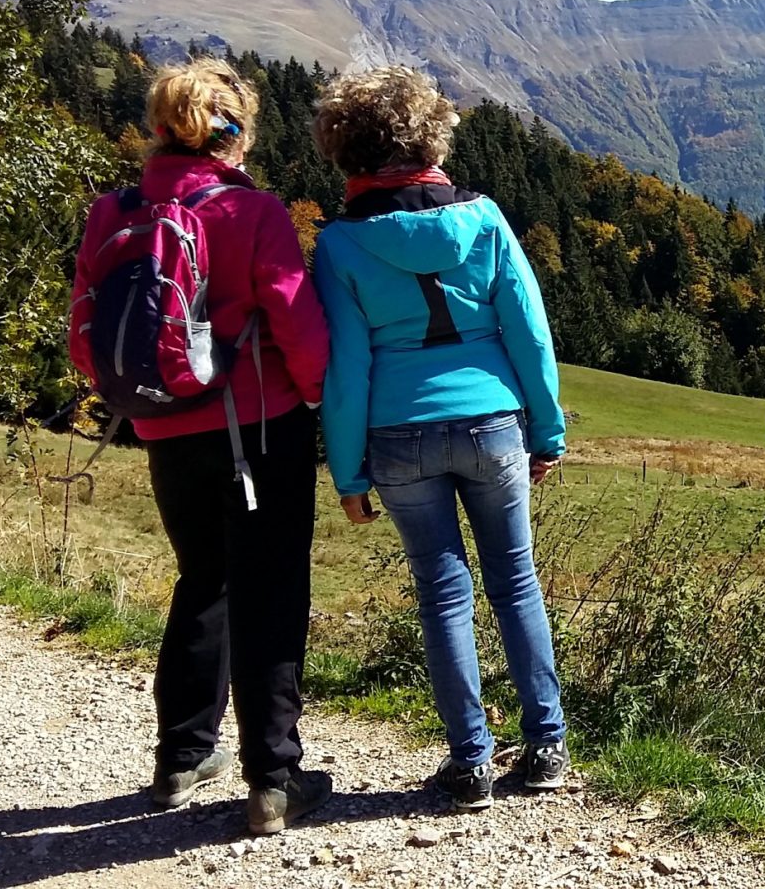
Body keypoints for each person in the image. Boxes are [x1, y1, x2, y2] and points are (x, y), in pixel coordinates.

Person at [67, 58, 333, 834]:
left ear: (159, 129)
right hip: (260, 428)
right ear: (235, 134)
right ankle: (274, 779)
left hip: (162, 427)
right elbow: (298, 324)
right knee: (270, 591)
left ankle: (181, 759)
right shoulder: (253, 211)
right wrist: (318, 397)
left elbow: (87, 332)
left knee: (202, 580)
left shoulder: (113, 212)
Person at [311, 66, 569, 811]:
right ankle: (546, 747)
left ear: (345, 146)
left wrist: (349, 474)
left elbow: (347, 369)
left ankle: (470, 762)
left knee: (442, 592)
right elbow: (529, 332)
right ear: (431, 137)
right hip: (494, 425)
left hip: (397, 436)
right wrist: (547, 431)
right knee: (515, 581)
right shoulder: (484, 218)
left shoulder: (339, 245)